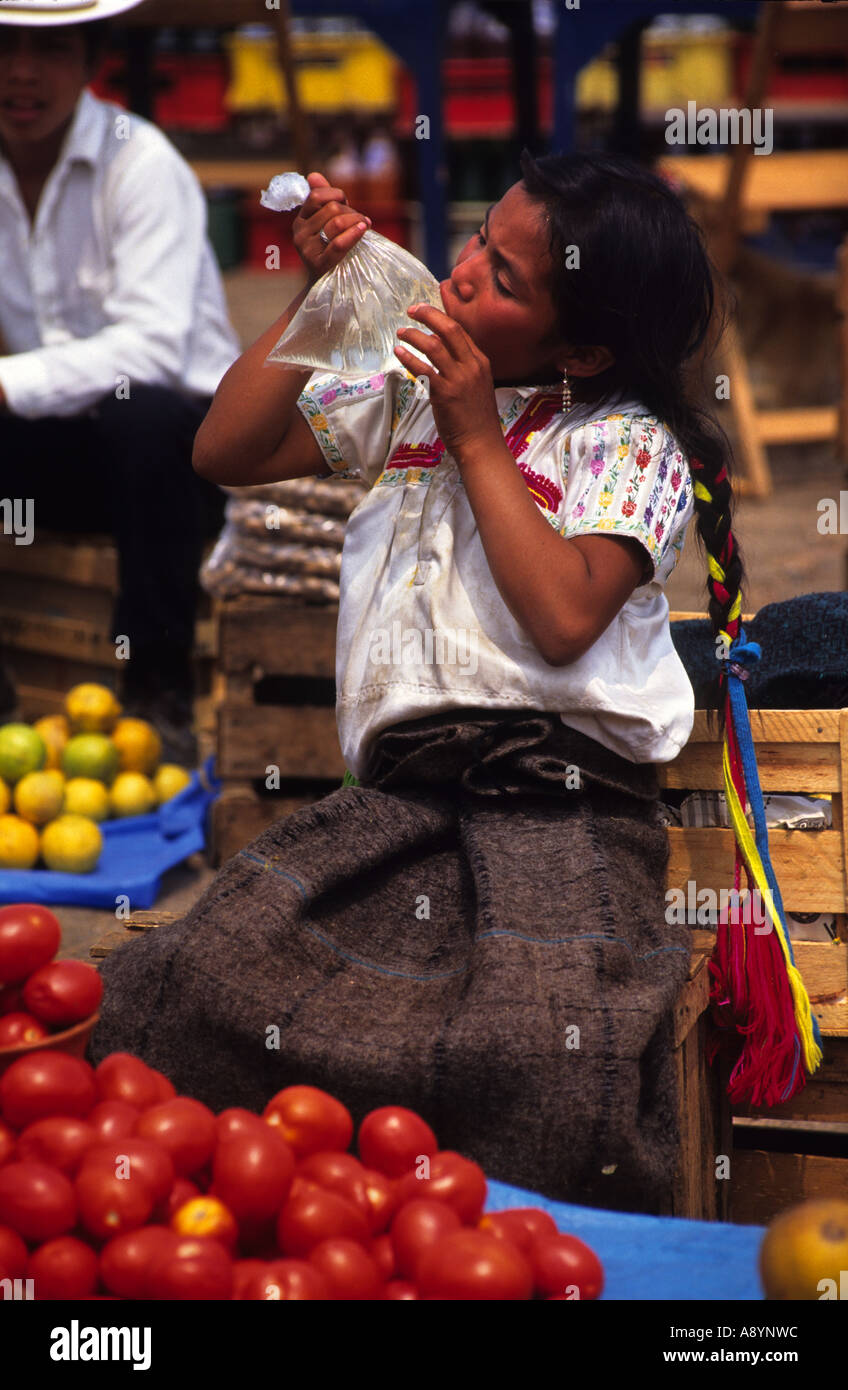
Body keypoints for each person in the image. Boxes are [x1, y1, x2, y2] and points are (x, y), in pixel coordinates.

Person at [90, 155, 745, 1214]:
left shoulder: (629, 445)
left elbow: (563, 616)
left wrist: (475, 431)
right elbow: (224, 447)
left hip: (558, 816)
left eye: (507, 279)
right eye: (481, 241)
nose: (465, 273)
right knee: (199, 974)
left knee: (534, 1053)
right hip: (394, 809)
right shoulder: (400, 393)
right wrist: (324, 296)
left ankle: (500, 1240)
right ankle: (303, 1210)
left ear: (583, 348)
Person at [0, 1, 240, 757]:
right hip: (63, 450)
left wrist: (9, 382)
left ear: (90, 60)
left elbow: (154, 351)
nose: (20, 73)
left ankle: (159, 688)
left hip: (182, 462)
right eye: (4, 47)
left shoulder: (142, 163)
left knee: (141, 417)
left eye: (50, 49)